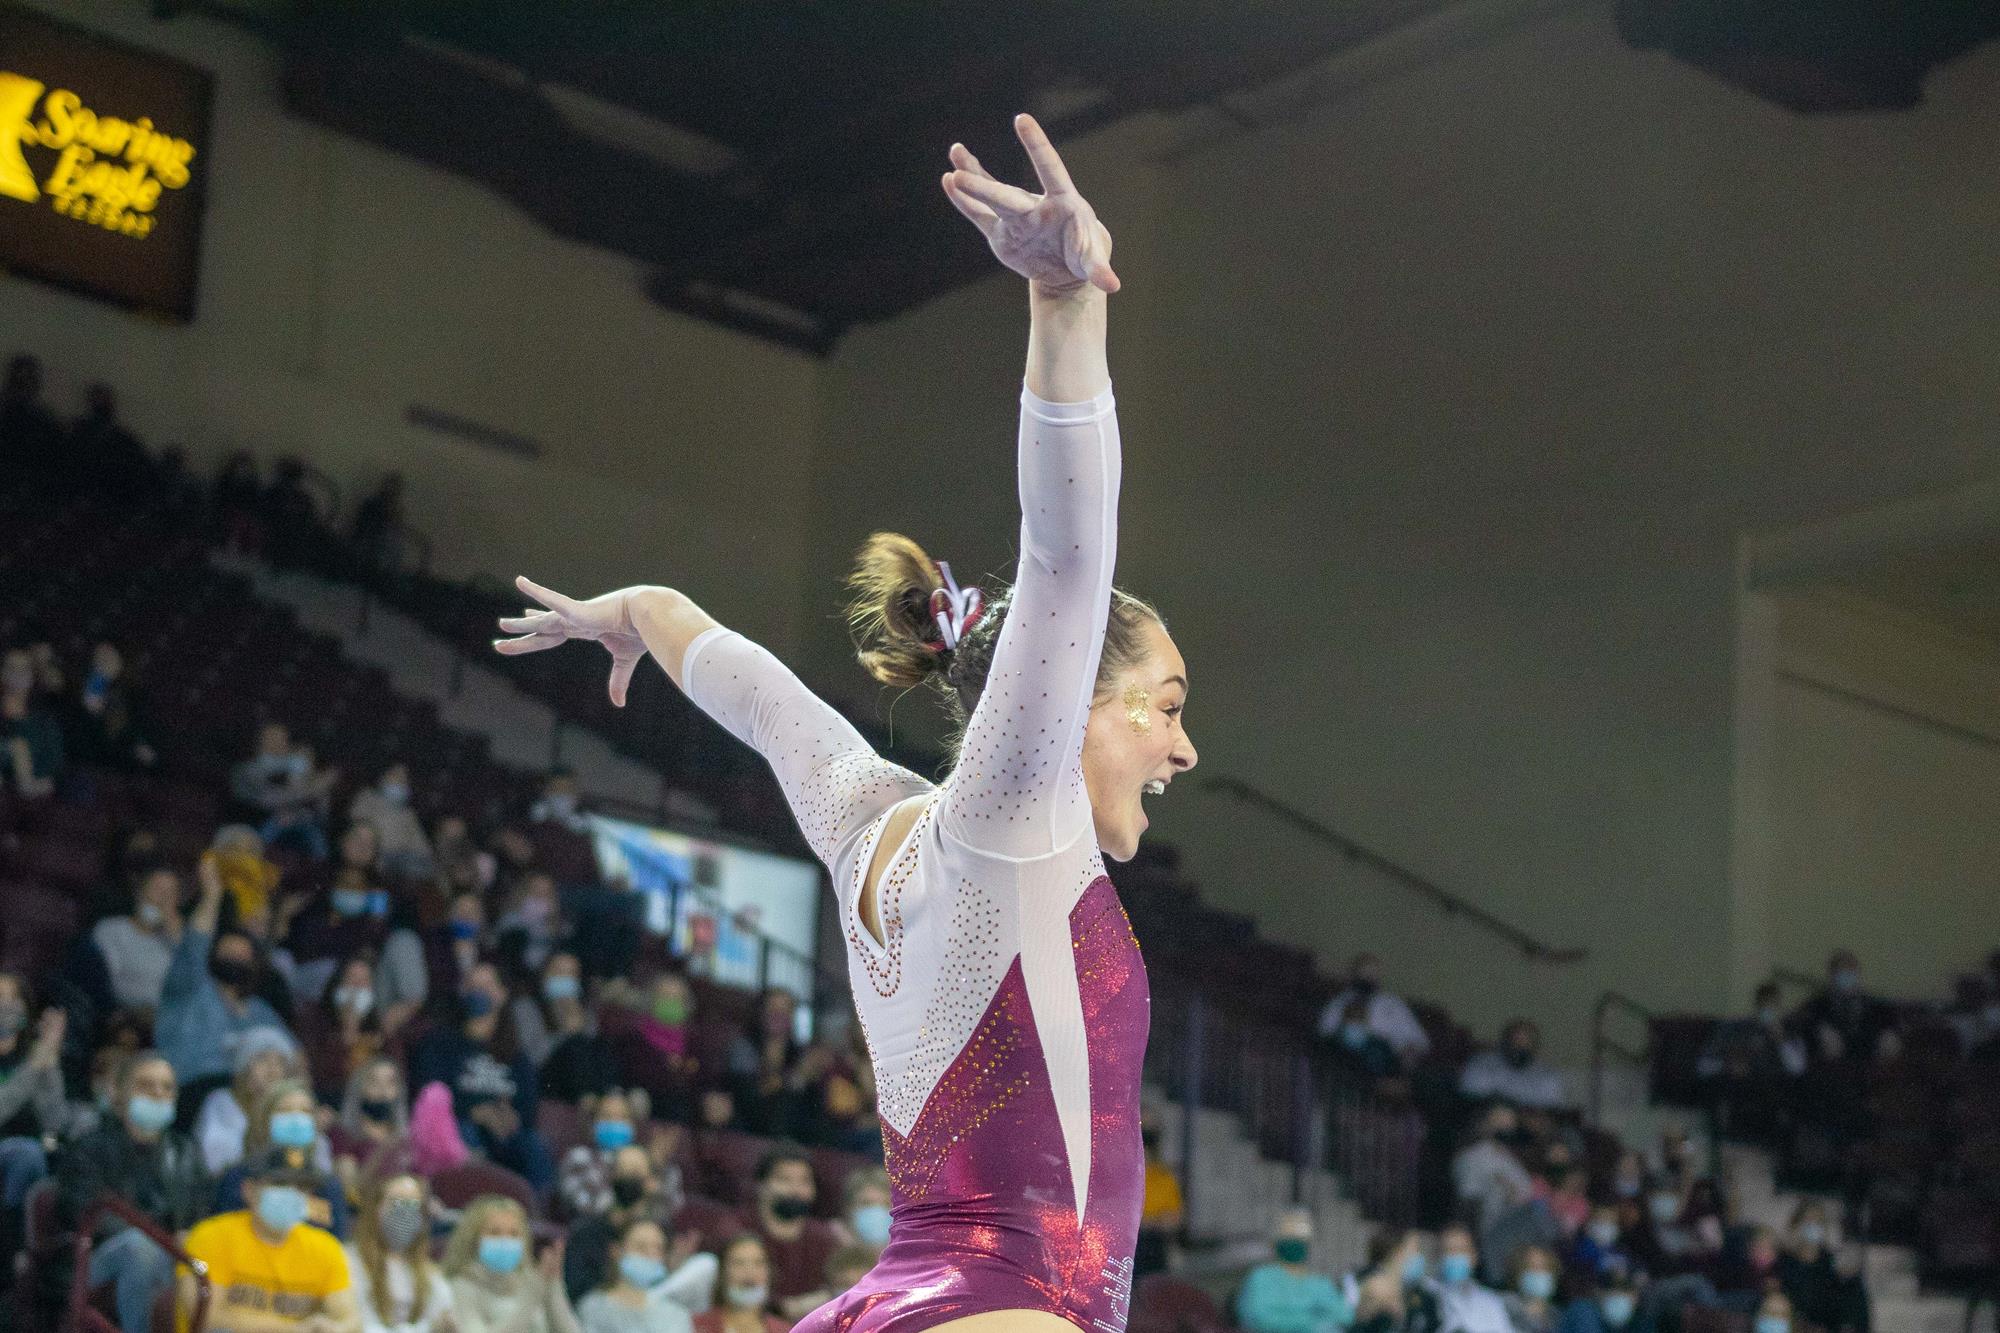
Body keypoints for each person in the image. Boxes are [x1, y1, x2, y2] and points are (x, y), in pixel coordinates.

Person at [494, 113, 1183, 1333]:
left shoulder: (874, 818)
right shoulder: (1014, 815)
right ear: (1068, 699)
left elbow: (761, 699)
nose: (1181, 748)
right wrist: (1063, 309)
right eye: (1164, 708)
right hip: (1006, 1305)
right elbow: (1066, 563)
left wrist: (644, 611)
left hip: (893, 1298)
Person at [54, 1051, 210, 1333]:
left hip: (174, 1256)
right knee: (141, 1249)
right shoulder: (88, 1148)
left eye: (167, 1087)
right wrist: (163, 1242)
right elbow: (86, 1215)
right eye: (145, 1085)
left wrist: (191, 1238)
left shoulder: (186, 1152)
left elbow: (204, 1215)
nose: (158, 1094)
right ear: (120, 1093)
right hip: (95, 1258)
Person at [411, 962, 555, 1194]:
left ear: (502, 994)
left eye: (486, 986)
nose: (478, 992)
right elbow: (432, 1094)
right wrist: (477, 1112)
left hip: (504, 1133)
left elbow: (528, 1106)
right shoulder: (439, 1043)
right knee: (465, 1130)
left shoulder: (516, 1055)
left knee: (534, 1145)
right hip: (461, 1128)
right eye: (473, 986)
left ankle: (536, 1212)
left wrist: (511, 1118)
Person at [182, 1146, 359, 1331]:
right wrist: (293, 1329)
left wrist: (335, 1328)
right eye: (280, 1184)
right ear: (248, 1190)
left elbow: (350, 1317)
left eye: (301, 1188)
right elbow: (205, 1315)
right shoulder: (210, 1237)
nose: (291, 1194)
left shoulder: (325, 1247)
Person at [160, 853, 290, 1085]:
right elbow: (196, 944)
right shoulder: (190, 989)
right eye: (228, 953)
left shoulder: (261, 1011)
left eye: (242, 956)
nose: (235, 959)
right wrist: (212, 895)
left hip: (251, 1099)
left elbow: (293, 1057)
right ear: (212, 958)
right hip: (195, 1089)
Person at [563, 1143, 709, 1308]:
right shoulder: (585, 1232)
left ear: (651, 1182)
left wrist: (672, 1269)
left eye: (636, 1172)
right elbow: (577, 1292)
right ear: (611, 1178)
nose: (630, 1177)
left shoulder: (662, 1232)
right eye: (624, 1171)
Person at [212, 1079, 350, 1237]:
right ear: (264, 1119)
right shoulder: (240, 1177)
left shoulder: (328, 1185)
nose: (296, 1118)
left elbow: (336, 1239)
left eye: (305, 1112)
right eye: (285, 1111)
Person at [445, 1194, 581, 1333]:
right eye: (495, 1233)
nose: (505, 1240)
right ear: (473, 1239)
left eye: (514, 1234)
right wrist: (529, 1300)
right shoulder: (461, 1286)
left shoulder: (530, 1280)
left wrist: (554, 1284)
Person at [345, 1171, 454, 1333]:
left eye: (413, 1206)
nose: (405, 1213)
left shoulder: (430, 1275)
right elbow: (359, 1325)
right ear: (376, 1208)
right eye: (397, 1203)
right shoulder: (348, 1262)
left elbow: (443, 1316)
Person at [195, 1025, 305, 1175]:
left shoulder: (293, 1105)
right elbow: (217, 1163)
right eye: (262, 1059)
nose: (272, 1070)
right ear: (243, 1068)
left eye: (280, 1062)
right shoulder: (221, 1102)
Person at [231, 721, 340, 861]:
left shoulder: (297, 764)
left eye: (283, 738)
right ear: (259, 742)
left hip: (303, 822)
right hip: (259, 822)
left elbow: (322, 809)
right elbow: (267, 800)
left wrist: (298, 810)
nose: (279, 743)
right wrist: (315, 787)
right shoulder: (247, 769)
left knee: (321, 848)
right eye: (272, 738)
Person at [1235, 1207, 1351, 1333]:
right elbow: (1259, 1318)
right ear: (1278, 1243)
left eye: (1299, 1241)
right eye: (1290, 1240)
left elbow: (1344, 1316)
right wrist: (1311, 1320)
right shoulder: (1261, 1278)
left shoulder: (1319, 1282)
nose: (1295, 1245)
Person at [576, 1217, 699, 1333]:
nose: (650, 1254)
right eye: (641, 1247)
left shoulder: (676, 1314)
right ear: (616, 1251)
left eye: (658, 1248)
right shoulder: (593, 1308)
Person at [93, 860, 184, 1014]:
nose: (163, 899)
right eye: (157, 889)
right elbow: (105, 984)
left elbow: (191, 985)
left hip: (168, 1021)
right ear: (140, 892)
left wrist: (179, 937)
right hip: (122, 1016)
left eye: (170, 893)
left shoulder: (179, 940)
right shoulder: (111, 930)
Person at [1316, 954, 1431, 1066]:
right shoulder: (1341, 1002)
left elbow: (1419, 1040)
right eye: (1364, 973)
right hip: (1351, 1056)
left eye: (1372, 974)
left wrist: (1410, 1051)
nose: (1368, 978)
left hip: (1390, 1057)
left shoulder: (1392, 1003)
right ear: (1355, 975)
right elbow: (1325, 1031)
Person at [71, 641, 158, 770]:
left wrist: (139, 747)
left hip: (129, 760)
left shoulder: (133, 695)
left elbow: (140, 730)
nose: (104, 663)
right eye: (100, 658)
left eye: (109, 658)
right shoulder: (80, 688)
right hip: (92, 759)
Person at [350, 762, 438, 882]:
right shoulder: (367, 797)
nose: (400, 780)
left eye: (404, 778)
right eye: (395, 775)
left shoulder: (408, 814)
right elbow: (355, 830)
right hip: (371, 856)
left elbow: (422, 848)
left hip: (398, 864)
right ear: (383, 777)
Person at [2, 646, 65, 801]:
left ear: (32, 675)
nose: (18, 675)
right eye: (12, 668)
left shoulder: (43, 721)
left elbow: (54, 767)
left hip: (33, 798)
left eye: (24, 669)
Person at [691, 1235, 790, 1333]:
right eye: (738, 1263)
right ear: (722, 1272)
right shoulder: (697, 1327)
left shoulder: (785, 1330)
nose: (749, 1272)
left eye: (758, 1263)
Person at [1461, 1022, 1566, 1110]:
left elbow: (1549, 1106)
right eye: (1515, 1040)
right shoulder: (1481, 1064)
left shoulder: (1546, 1074)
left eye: (1525, 1042)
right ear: (1505, 1041)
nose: (1519, 1046)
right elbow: (1473, 1099)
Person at [1353, 1230, 1439, 1333]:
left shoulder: (1421, 1294)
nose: (1419, 1256)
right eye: (1415, 1250)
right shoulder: (1372, 1286)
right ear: (1396, 1253)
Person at [1432, 1226, 1512, 1333]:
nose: (1455, 1255)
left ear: (1474, 1257)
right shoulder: (1427, 1295)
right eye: (1449, 1250)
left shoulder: (1491, 1302)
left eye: (1461, 1250)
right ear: (1438, 1256)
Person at [1135, 1120, 1183, 1277]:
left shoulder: (1164, 1177)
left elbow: (1174, 1220)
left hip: (1155, 1249)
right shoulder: (1121, 1177)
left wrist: (1148, 1223)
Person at [1556, 1275, 1647, 1333]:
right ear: (1600, 1294)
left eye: (1627, 1292)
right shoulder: (1583, 1312)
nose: (1621, 1298)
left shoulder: (1640, 1323)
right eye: (1616, 1291)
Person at [1502, 1248, 1561, 1333]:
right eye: (1531, 1267)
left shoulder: (1557, 1316)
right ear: (1518, 1273)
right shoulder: (1503, 1307)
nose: (1539, 1272)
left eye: (1544, 1267)